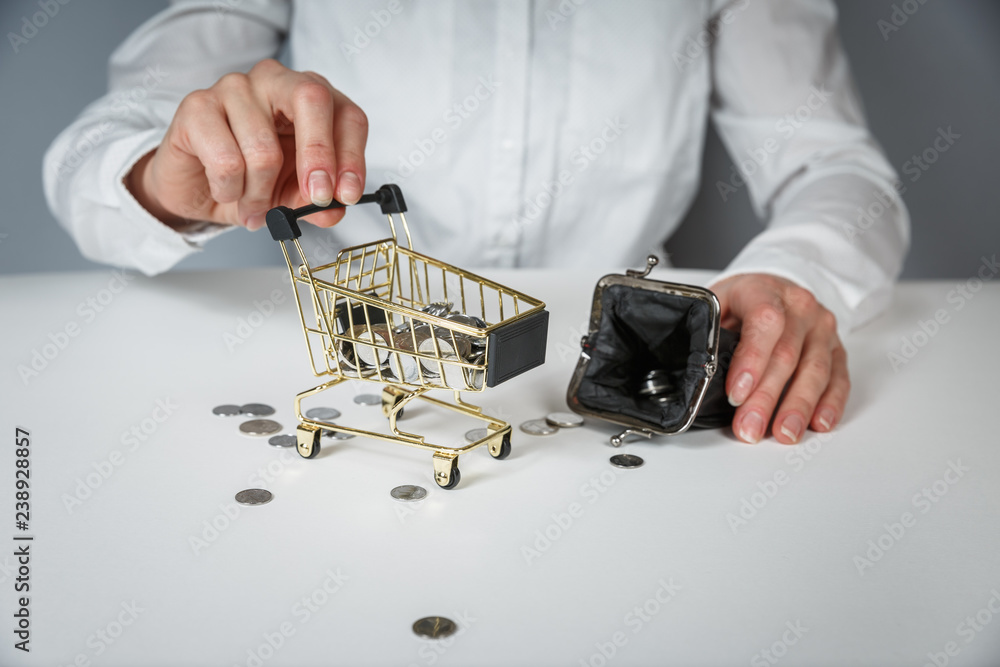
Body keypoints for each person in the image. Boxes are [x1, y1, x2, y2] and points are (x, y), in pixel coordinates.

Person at [43, 0, 909, 446]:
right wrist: (162, 177)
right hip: (353, 315)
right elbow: (97, 151)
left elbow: (836, 168)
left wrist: (801, 272)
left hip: (609, 352)